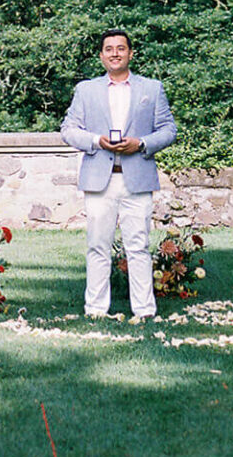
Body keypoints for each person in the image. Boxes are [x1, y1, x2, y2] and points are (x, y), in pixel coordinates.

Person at [60, 29, 178, 319]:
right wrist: (96, 141)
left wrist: (142, 144)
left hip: (136, 178)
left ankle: (144, 311)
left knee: (138, 247)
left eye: (121, 48)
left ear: (130, 53)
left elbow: (169, 130)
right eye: (109, 49)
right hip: (99, 179)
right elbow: (69, 130)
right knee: (97, 246)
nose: (115, 53)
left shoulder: (152, 89)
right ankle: (96, 310)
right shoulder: (86, 90)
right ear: (102, 56)